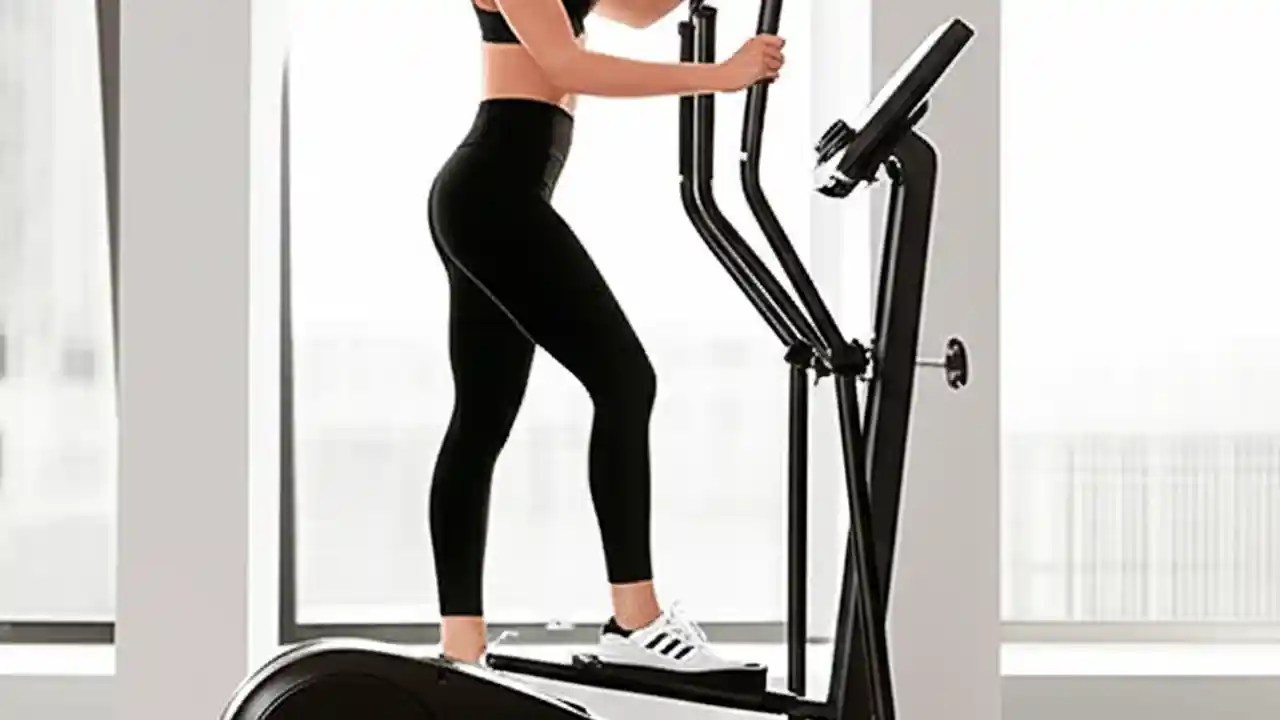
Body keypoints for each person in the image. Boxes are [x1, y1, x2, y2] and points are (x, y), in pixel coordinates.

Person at [427, 0, 786, 674]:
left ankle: (461, 649)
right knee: (625, 381)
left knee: (479, 422)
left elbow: (643, 10)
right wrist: (717, 74)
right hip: (491, 195)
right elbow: (566, 64)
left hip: (498, 195)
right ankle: (635, 621)